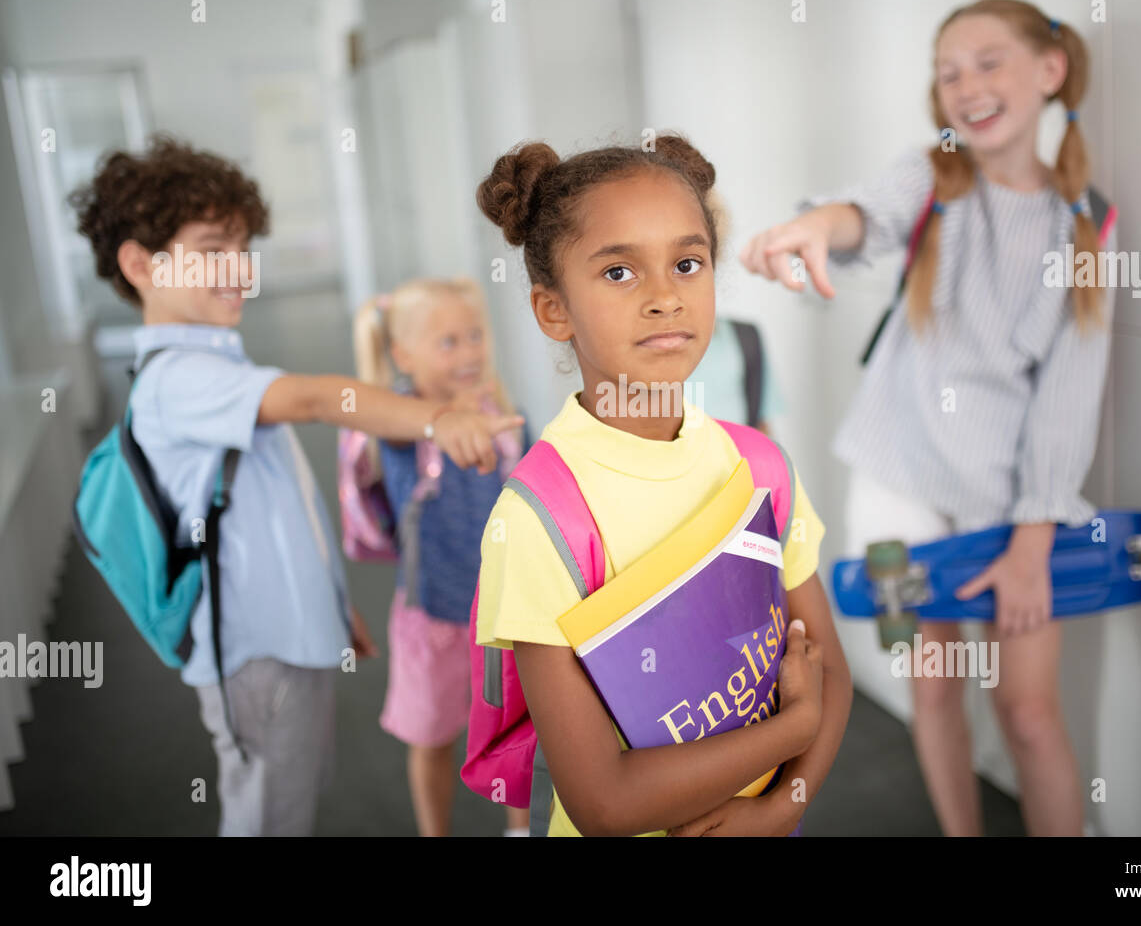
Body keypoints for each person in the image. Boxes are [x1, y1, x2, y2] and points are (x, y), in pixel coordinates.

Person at [69, 135, 521, 835]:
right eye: (213, 249)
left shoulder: (211, 368)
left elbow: (276, 517)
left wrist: (332, 605)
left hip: (283, 638)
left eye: (242, 249)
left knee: (290, 797)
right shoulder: (180, 380)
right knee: (269, 816)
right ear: (139, 263)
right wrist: (436, 419)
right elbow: (317, 400)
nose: (238, 270)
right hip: (256, 656)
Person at [741, 0, 1116, 836]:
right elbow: (860, 216)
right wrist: (812, 226)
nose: (966, 87)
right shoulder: (933, 176)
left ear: (1049, 73)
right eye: (949, 72)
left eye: (988, 62)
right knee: (936, 686)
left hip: (1007, 493)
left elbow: (1068, 395)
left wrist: (1032, 539)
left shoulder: (1087, 227)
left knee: (1026, 710)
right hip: (901, 470)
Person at [473, 133, 853, 836]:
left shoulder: (758, 465)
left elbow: (830, 665)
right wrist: (795, 724)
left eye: (687, 263)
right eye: (619, 273)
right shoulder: (541, 518)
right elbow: (604, 805)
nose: (665, 298)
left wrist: (779, 810)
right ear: (554, 309)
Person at [350, 277, 531, 836]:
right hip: (433, 622)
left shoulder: (505, 414)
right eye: (447, 342)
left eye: (474, 336)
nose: (469, 351)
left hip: (507, 618)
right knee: (432, 740)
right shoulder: (404, 427)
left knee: (515, 736)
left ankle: (520, 829)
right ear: (403, 356)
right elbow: (373, 417)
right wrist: (441, 419)